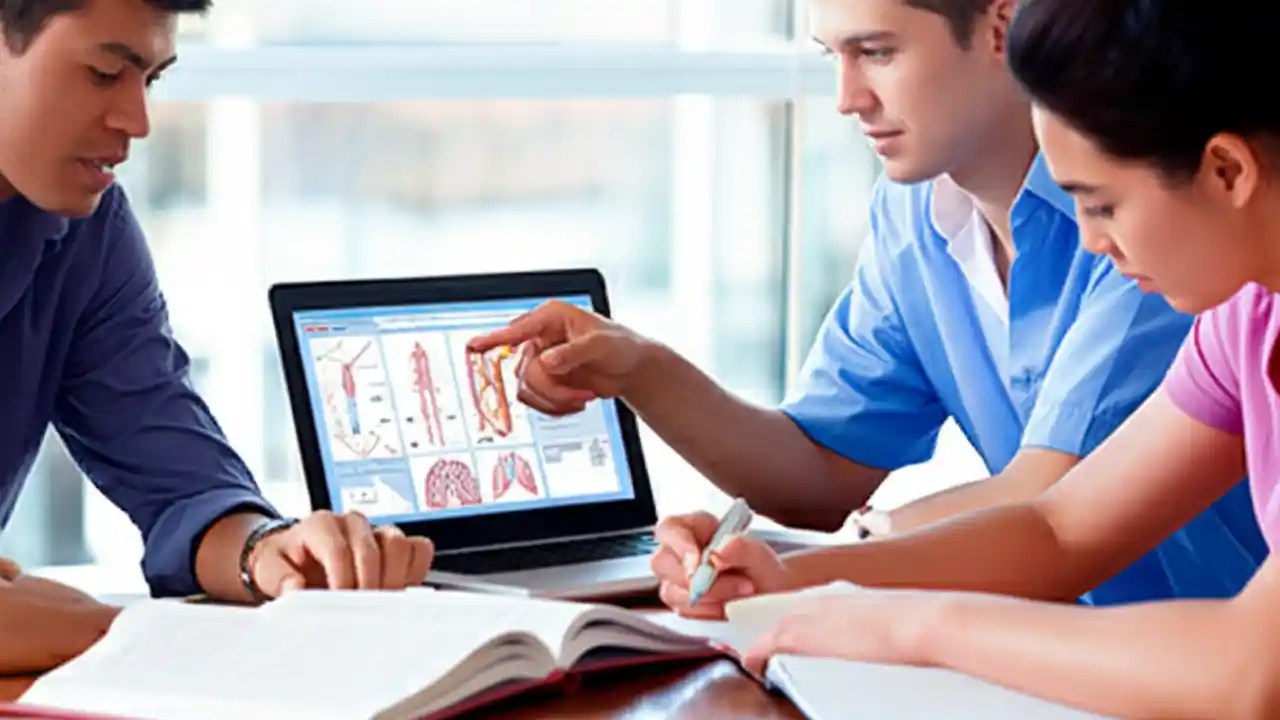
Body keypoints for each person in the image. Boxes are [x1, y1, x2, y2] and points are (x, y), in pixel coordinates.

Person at [468, 0, 1263, 613]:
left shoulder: (1164, 220)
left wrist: (816, 568)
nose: (846, 98)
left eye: (876, 52)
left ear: (1002, 29)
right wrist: (640, 368)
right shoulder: (914, 217)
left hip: (1183, 640)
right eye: (831, 56)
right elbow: (820, 473)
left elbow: (1047, 506)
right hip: (1080, 651)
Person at [726, 0, 1280, 716]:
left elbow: (1251, 670)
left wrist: (919, 626)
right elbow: (1062, 528)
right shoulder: (1246, 315)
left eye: (1102, 204)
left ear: (1226, 171)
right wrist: (792, 579)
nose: (1087, 241)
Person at [0, 0, 432, 675]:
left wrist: (267, 553)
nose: (136, 122)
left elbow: (177, 481)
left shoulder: (88, 228)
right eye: (104, 71)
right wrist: (108, 631)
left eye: (151, 79)